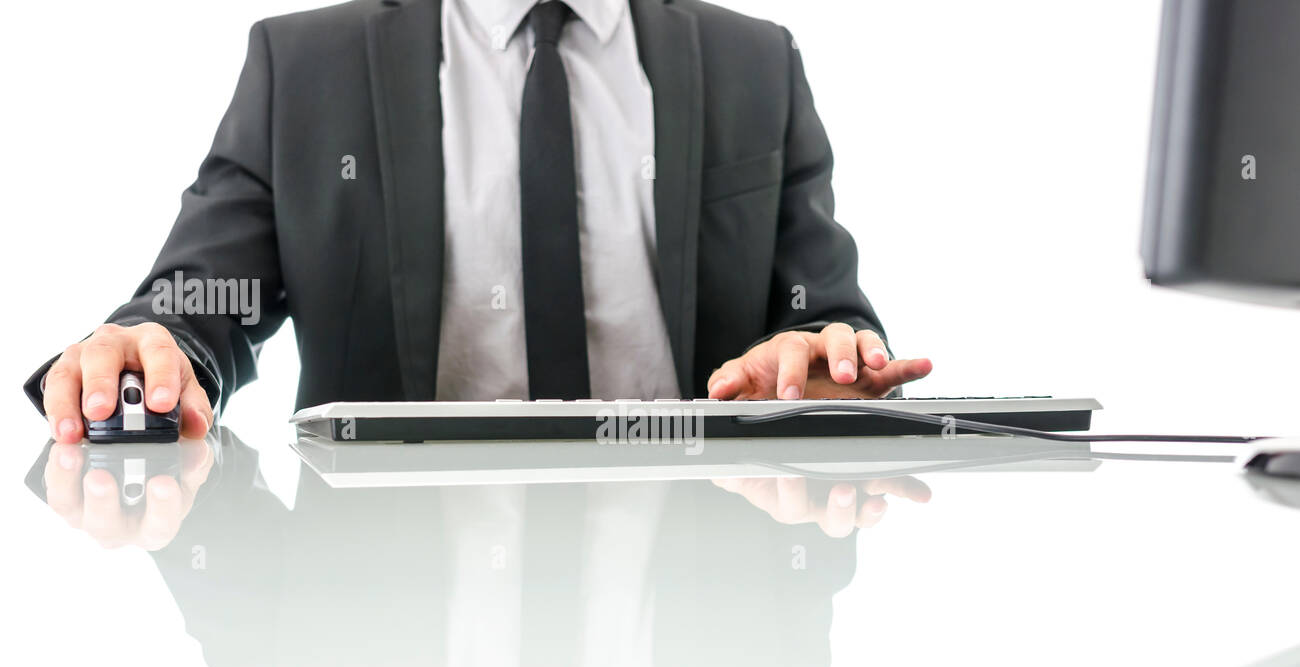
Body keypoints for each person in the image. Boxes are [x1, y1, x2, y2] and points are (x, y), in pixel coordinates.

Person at [25, 0, 933, 443]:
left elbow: (824, 320)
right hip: (390, 597)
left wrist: (825, 360)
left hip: (702, 590)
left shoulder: (755, 64)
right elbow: (195, 304)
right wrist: (149, 346)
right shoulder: (307, 66)